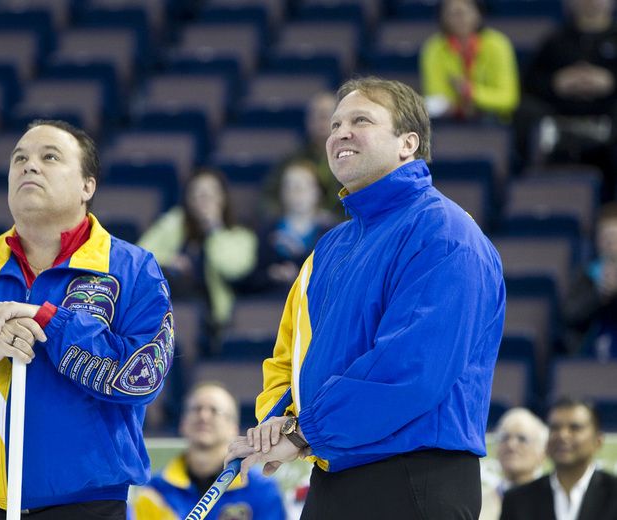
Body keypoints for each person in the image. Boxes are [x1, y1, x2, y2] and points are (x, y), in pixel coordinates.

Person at [226, 76, 506, 519]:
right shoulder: (330, 247)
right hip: (334, 472)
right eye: (335, 125)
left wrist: (304, 433)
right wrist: (276, 421)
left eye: (361, 120)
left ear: (407, 143)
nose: (341, 133)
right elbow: (293, 355)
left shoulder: (444, 234)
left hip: (415, 476)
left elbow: (411, 369)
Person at [0, 120, 174, 519]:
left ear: (87, 186)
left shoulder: (133, 271)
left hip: (88, 507)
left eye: (49, 157)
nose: (29, 166)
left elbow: (143, 377)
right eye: (18, 158)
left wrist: (50, 321)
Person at [138, 168, 256, 353]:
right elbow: (140, 255)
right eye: (197, 193)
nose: (204, 199)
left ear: (223, 198)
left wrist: (215, 229)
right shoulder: (175, 224)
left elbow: (233, 268)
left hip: (218, 320)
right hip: (176, 314)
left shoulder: (239, 235)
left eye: (210, 193)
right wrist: (169, 259)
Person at [133, 383, 285, 520]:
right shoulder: (156, 491)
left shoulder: (261, 489)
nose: (203, 416)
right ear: (182, 423)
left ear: (234, 428)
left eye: (215, 410)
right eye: (196, 409)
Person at [516, 0, 617, 199]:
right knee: (524, 112)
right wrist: (557, 83)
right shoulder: (555, 39)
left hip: (609, 117)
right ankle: (528, 194)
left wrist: (610, 82)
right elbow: (530, 82)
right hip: (559, 116)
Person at [500, 398, 617, 520]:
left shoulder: (614, 494)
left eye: (575, 428)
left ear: (598, 441)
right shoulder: (517, 499)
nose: (563, 435)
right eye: (555, 428)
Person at [420, 0, 520, 122]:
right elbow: (437, 99)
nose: (460, 18)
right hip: (450, 121)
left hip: (494, 119)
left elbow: (508, 99)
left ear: (478, 13)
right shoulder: (433, 48)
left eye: (465, 11)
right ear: (443, 17)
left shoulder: (498, 44)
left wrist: (470, 92)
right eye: (453, 13)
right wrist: (460, 106)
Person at [251, 158, 336, 293]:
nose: (296, 193)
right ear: (281, 192)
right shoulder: (268, 230)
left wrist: (298, 268)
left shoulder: (331, 232)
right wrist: (272, 274)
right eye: (289, 187)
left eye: (302, 187)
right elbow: (253, 278)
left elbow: (333, 277)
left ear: (317, 192)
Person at [563, 202, 617, 358]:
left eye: (615, 238)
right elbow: (570, 314)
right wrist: (599, 294)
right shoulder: (586, 273)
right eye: (606, 238)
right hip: (590, 354)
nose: (611, 245)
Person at [480, 408, 549, 520]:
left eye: (522, 439)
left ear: (542, 453)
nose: (511, 445)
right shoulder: (479, 503)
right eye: (504, 438)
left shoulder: (554, 501)